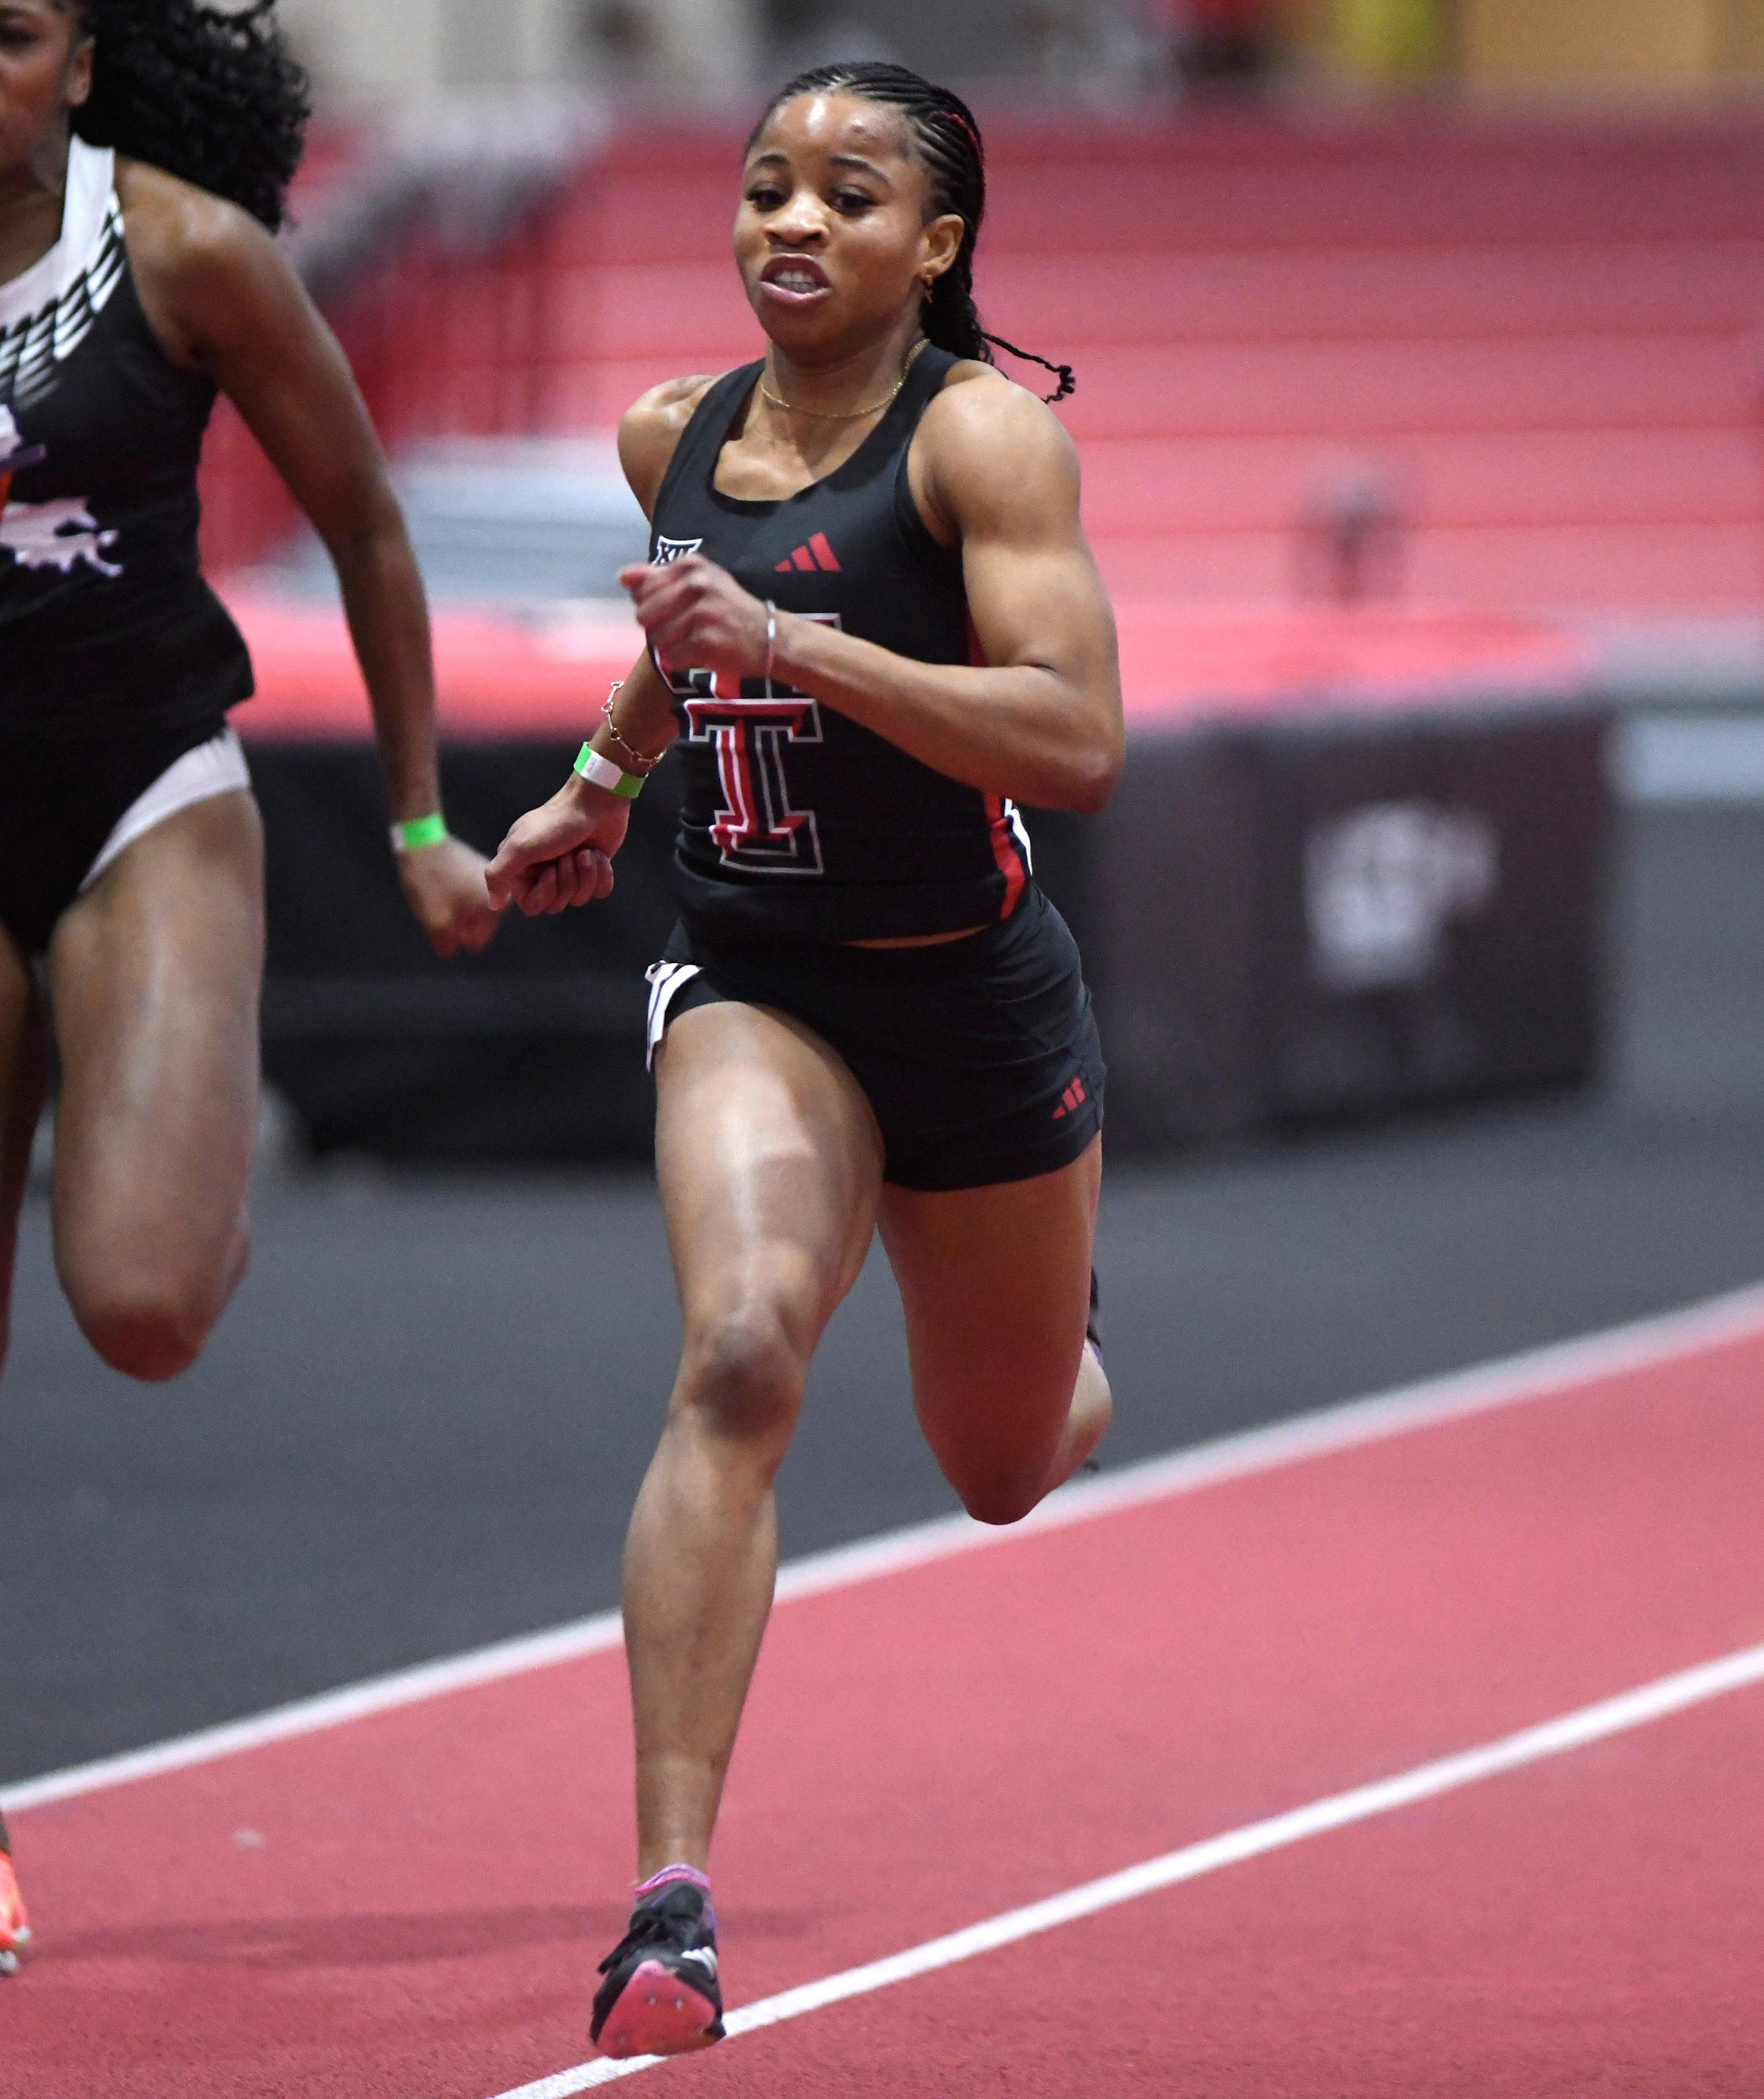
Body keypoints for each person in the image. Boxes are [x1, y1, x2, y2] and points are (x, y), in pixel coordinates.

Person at [0, 0, 545, 1975]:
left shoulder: (186, 255)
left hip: (149, 804)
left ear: (80, 66)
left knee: (145, 1307)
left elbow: (364, 524)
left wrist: (421, 819)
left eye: (8, 34)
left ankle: (168, 1119)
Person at [483, 60, 1123, 2060]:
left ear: (936, 247)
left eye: (850, 196)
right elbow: (685, 633)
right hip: (759, 980)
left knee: (1002, 1465)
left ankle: (1067, 1335)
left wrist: (792, 646)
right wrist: (604, 783)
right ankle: (666, 1908)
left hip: (974, 994)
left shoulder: (981, 442)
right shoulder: (669, 432)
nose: (794, 221)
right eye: (768, 185)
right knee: (743, 1349)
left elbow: (1076, 736)